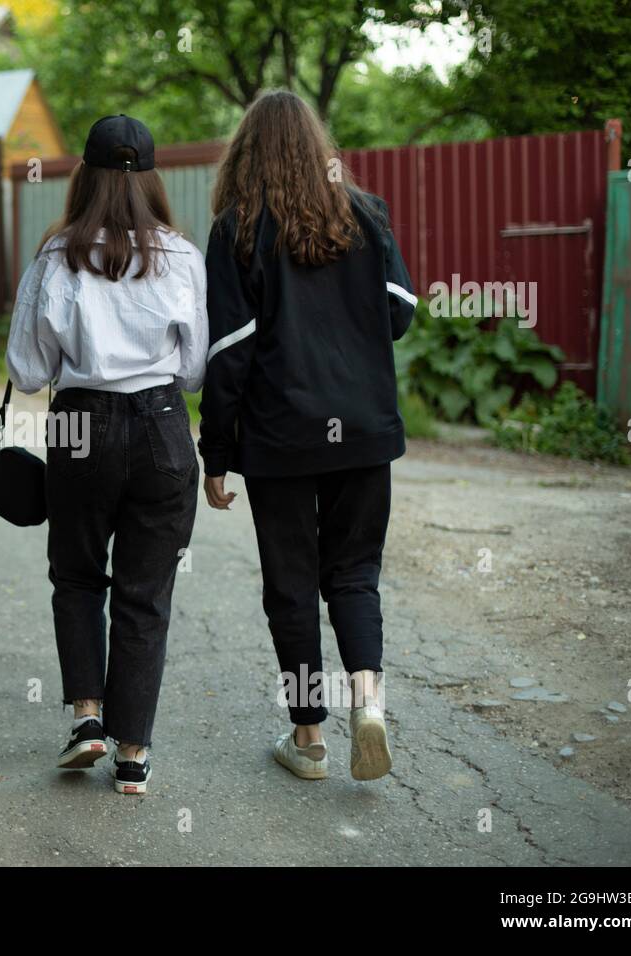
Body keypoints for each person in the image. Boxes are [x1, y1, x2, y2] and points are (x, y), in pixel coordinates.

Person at [199, 89, 417, 783]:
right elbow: (402, 313)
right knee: (354, 575)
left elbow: (230, 352)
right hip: (363, 431)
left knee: (291, 585)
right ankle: (370, 703)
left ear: (247, 155)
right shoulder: (366, 215)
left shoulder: (238, 228)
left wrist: (217, 454)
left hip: (281, 438)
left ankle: (309, 738)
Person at [6, 115, 207, 795]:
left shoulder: (55, 254)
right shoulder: (181, 256)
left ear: (84, 176)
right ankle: (132, 754)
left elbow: (29, 372)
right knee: (146, 595)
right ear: (151, 179)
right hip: (160, 425)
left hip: (80, 427)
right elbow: (196, 368)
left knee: (78, 576)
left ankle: (87, 718)